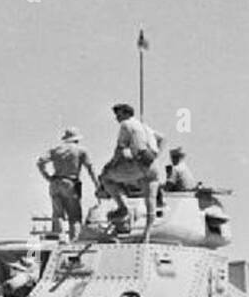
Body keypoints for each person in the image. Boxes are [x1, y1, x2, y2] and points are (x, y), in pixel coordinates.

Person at [98, 103, 163, 242]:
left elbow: (120, 149)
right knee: (150, 201)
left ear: (126, 113)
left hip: (139, 165)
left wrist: (110, 165)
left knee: (106, 178)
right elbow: (162, 138)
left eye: (118, 114)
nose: (117, 117)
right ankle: (147, 235)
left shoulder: (126, 125)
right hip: (153, 165)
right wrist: (157, 156)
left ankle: (122, 208)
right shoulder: (144, 126)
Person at [37, 128, 97, 241]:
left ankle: (60, 238)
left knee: (57, 214)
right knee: (74, 216)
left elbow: (40, 162)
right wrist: (98, 186)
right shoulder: (81, 150)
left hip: (55, 183)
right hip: (71, 183)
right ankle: (74, 240)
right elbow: (90, 168)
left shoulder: (55, 150)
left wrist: (48, 177)